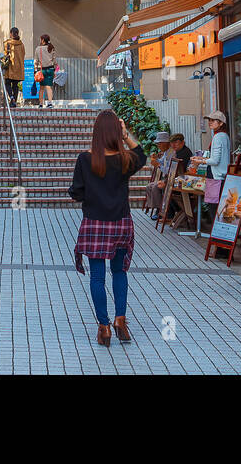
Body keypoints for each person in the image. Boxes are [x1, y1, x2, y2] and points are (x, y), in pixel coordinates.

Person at [70, 110, 147, 346]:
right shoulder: (125, 159)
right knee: (120, 272)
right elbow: (142, 155)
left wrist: (92, 196)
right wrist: (126, 137)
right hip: (121, 222)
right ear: (117, 132)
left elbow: (76, 192)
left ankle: (104, 327)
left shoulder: (85, 159)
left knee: (97, 277)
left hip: (94, 223)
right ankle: (120, 320)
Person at [143, 131, 173, 217]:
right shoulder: (167, 152)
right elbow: (162, 162)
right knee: (149, 186)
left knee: (156, 187)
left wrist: (158, 165)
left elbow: (169, 170)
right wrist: (157, 159)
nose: (158, 146)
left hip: (170, 179)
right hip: (165, 178)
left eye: (159, 144)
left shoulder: (171, 153)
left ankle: (161, 211)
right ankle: (157, 208)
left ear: (166, 143)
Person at [203, 111, 231, 179]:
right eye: (209, 120)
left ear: (221, 123)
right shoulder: (224, 135)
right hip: (222, 175)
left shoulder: (218, 136)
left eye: (213, 120)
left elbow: (215, 161)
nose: (210, 122)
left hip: (216, 176)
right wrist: (201, 158)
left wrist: (200, 161)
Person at [3, 27, 26, 107]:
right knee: (15, 85)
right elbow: (23, 54)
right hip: (18, 68)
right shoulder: (21, 44)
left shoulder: (7, 43)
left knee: (7, 83)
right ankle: (14, 102)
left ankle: (11, 97)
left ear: (10, 33)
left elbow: (5, 54)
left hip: (10, 67)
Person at [35, 34, 57, 108]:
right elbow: (54, 61)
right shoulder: (51, 48)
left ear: (43, 40)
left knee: (41, 87)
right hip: (51, 69)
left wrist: (35, 70)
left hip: (43, 70)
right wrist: (55, 71)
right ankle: (50, 103)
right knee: (49, 87)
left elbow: (36, 61)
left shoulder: (38, 49)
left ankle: (41, 104)